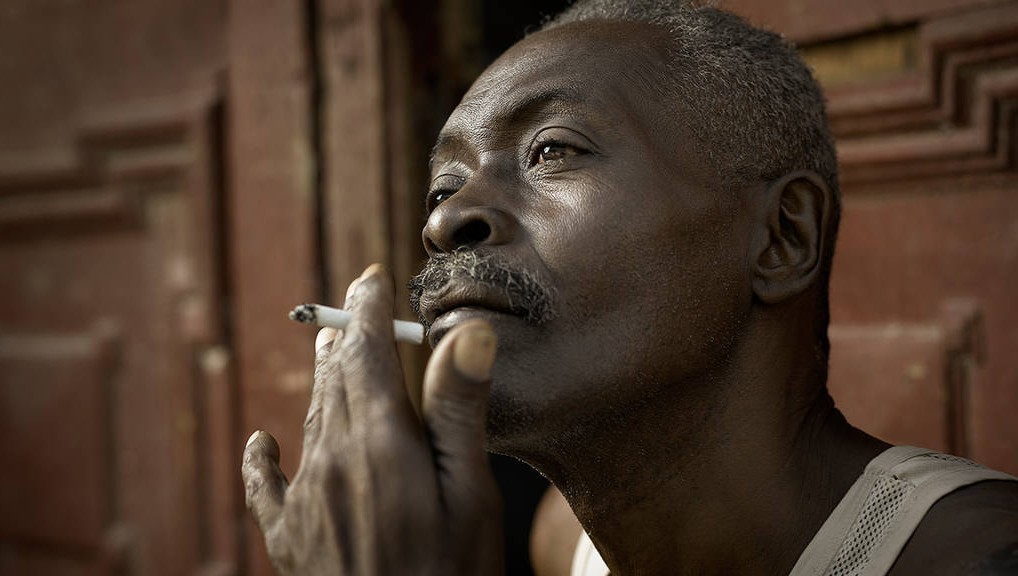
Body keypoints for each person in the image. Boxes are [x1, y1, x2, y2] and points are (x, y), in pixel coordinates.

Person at [241, 1, 1018, 574]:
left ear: (783, 238)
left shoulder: (980, 555)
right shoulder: (567, 546)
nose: (447, 224)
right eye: (443, 187)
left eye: (551, 150)